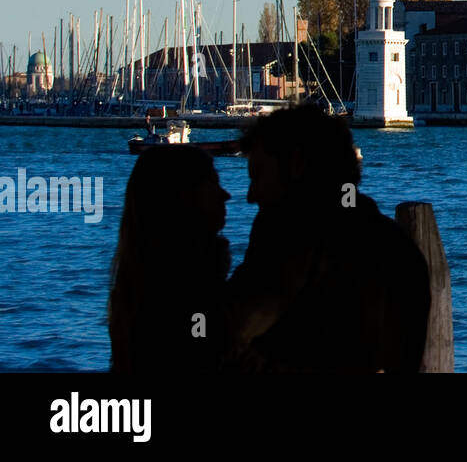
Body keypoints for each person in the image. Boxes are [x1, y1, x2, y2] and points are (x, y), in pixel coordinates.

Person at [226, 106, 430, 372]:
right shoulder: (399, 249)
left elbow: (233, 327)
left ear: (297, 164)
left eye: (258, 175)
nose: (251, 194)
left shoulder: (289, 235)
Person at [108, 146, 232, 372]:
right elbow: (201, 348)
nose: (226, 195)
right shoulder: (191, 288)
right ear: (183, 195)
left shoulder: (137, 284)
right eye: (212, 183)